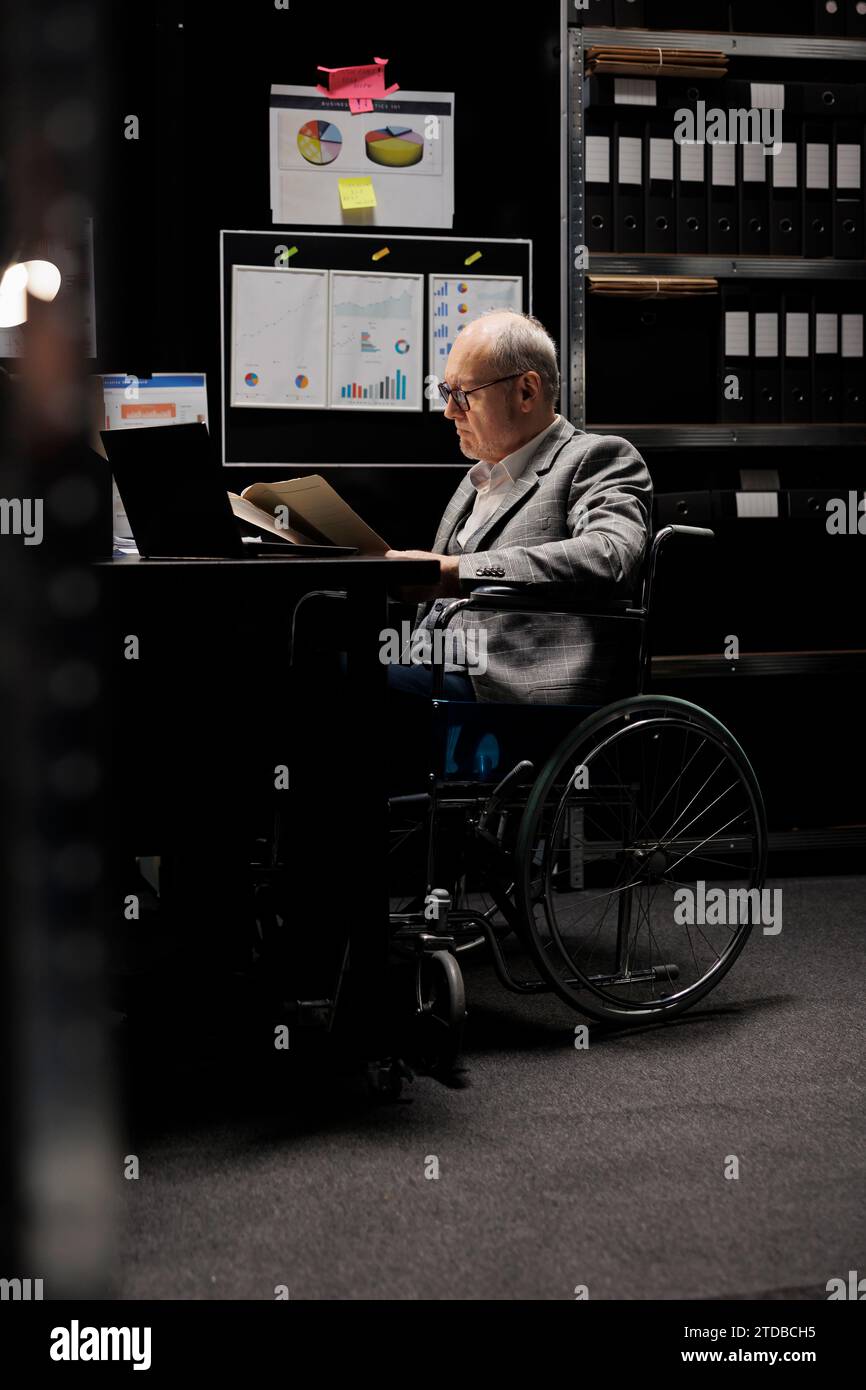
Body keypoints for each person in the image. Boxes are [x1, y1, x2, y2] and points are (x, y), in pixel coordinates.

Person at [381, 309, 652, 786]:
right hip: (440, 664)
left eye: (463, 396)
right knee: (315, 668)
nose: (449, 412)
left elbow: (611, 555)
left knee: (342, 687)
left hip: (513, 690)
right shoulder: (476, 481)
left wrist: (454, 571)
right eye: (448, 394)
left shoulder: (597, 458)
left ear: (526, 390)